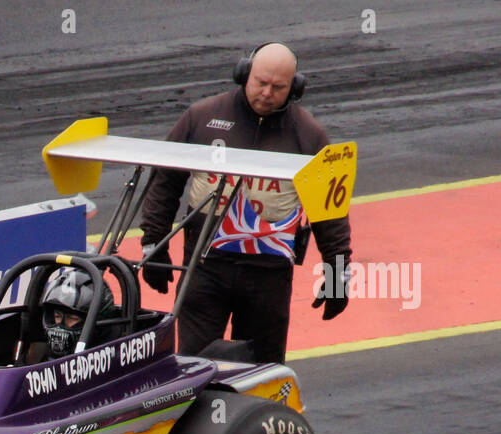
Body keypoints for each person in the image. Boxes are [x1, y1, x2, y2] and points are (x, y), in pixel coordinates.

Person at [138, 42, 353, 363]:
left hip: (268, 277)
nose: (267, 93)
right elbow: (164, 181)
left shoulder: (309, 135)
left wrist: (337, 275)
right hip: (205, 268)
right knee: (194, 366)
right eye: (260, 83)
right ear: (243, 74)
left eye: (278, 88)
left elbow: (330, 212)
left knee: (262, 371)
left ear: (295, 88)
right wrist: (153, 245)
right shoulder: (202, 117)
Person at [38, 267, 119, 359]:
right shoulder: (46, 352)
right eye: (57, 316)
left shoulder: (113, 353)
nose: (60, 325)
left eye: (72, 318)